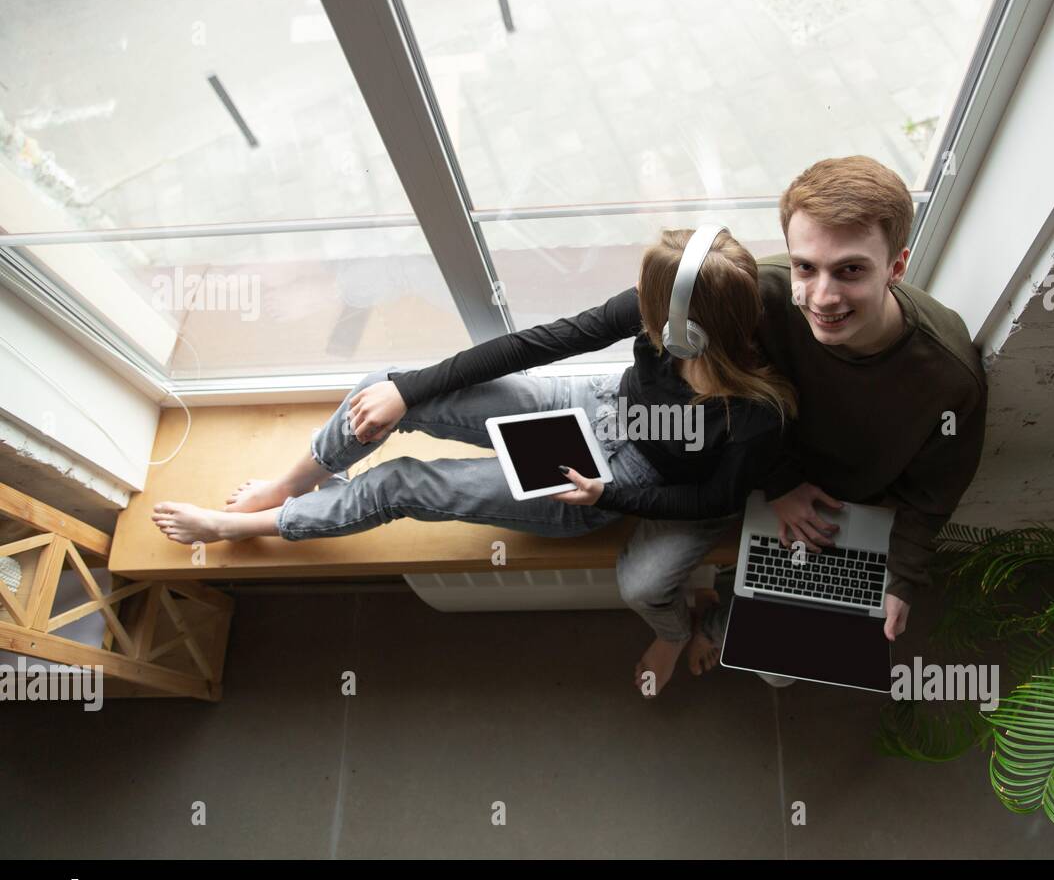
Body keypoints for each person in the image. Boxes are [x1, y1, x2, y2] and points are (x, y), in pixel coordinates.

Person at [151, 227, 797, 696]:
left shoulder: (755, 413)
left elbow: (711, 502)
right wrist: (410, 391)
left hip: (622, 482)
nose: (635, 303)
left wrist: (607, 496)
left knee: (403, 484)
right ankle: (295, 482)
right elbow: (536, 344)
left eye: (648, 304)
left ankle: (244, 527)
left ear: (689, 329)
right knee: (390, 384)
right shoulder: (663, 313)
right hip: (595, 408)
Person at [622, 156, 989, 686]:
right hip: (735, 467)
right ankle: (679, 629)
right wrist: (780, 481)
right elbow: (678, 358)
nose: (822, 297)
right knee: (640, 582)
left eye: (851, 270)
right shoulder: (756, 292)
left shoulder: (949, 377)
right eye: (805, 267)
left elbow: (934, 492)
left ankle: (720, 623)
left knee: (779, 671)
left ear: (897, 267)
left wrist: (902, 577)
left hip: (830, 507)